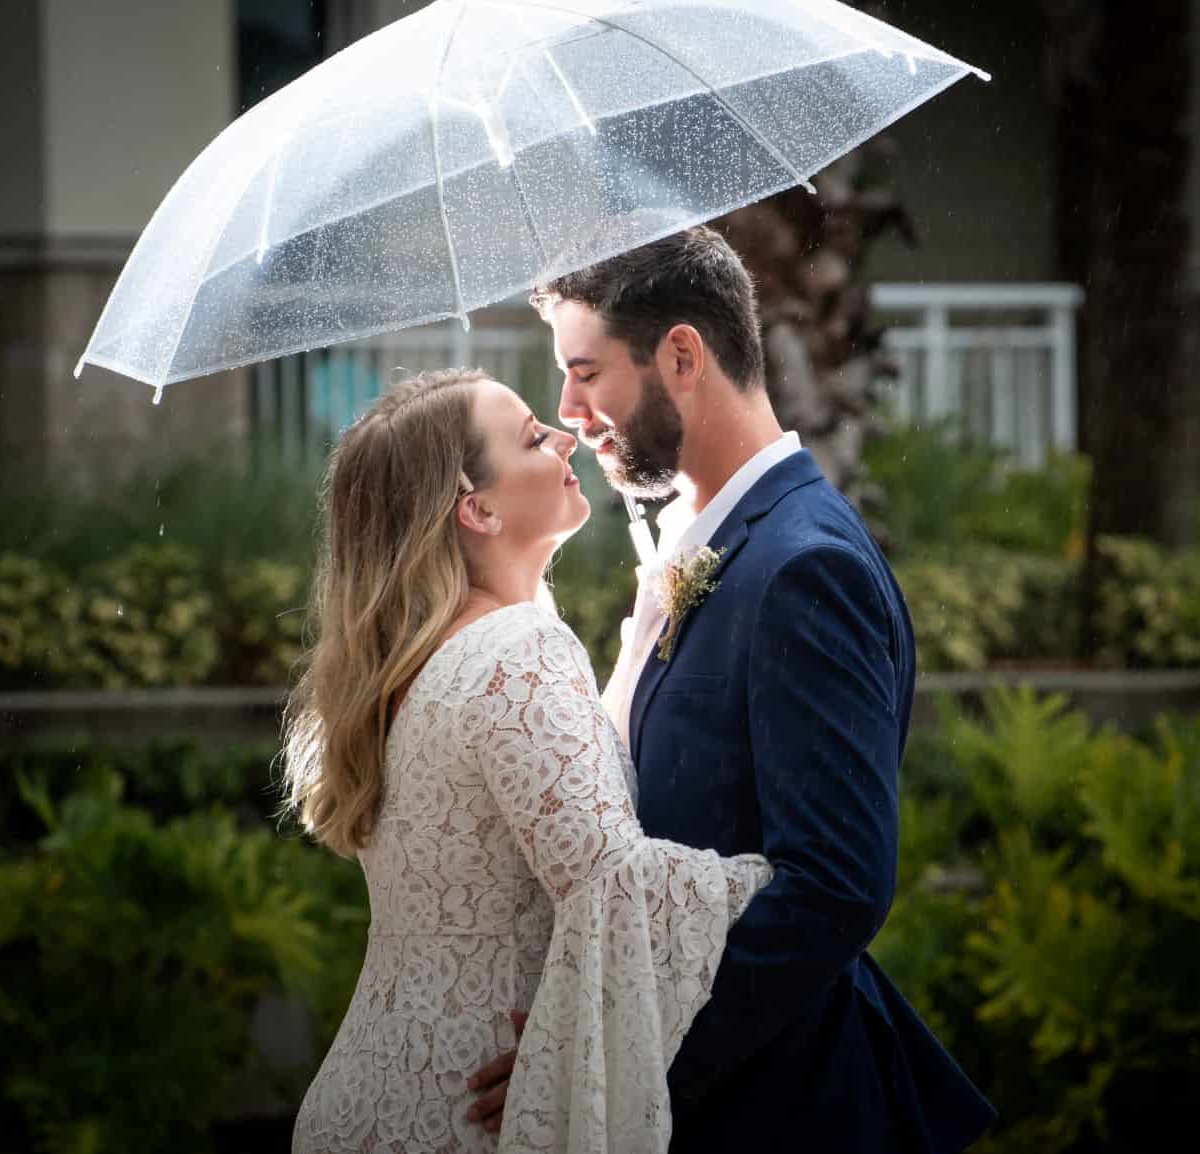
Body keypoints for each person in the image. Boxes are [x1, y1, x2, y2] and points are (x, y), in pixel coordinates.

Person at [468, 227, 996, 1152]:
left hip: (785, 1107)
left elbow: (834, 888)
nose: (569, 407)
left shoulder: (804, 566)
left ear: (680, 355)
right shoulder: (710, 540)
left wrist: (613, 1056)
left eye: (587, 373)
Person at [283, 367, 774, 1153]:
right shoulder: (521, 649)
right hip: (477, 1114)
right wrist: (780, 878)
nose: (567, 435)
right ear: (476, 507)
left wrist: (632, 661)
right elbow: (617, 884)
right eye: (532, 437)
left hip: (375, 1093)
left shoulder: (408, 668)